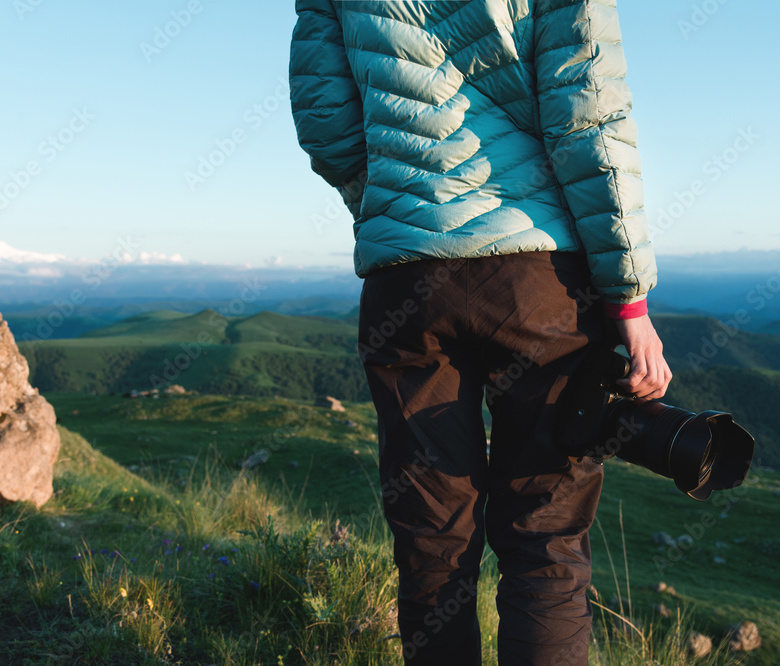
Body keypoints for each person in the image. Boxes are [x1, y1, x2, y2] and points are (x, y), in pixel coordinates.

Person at [288, 1, 672, 664]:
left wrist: (389, 209)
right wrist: (628, 296)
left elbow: (326, 120)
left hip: (406, 285)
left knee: (431, 541)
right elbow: (591, 121)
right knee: (546, 543)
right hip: (539, 282)